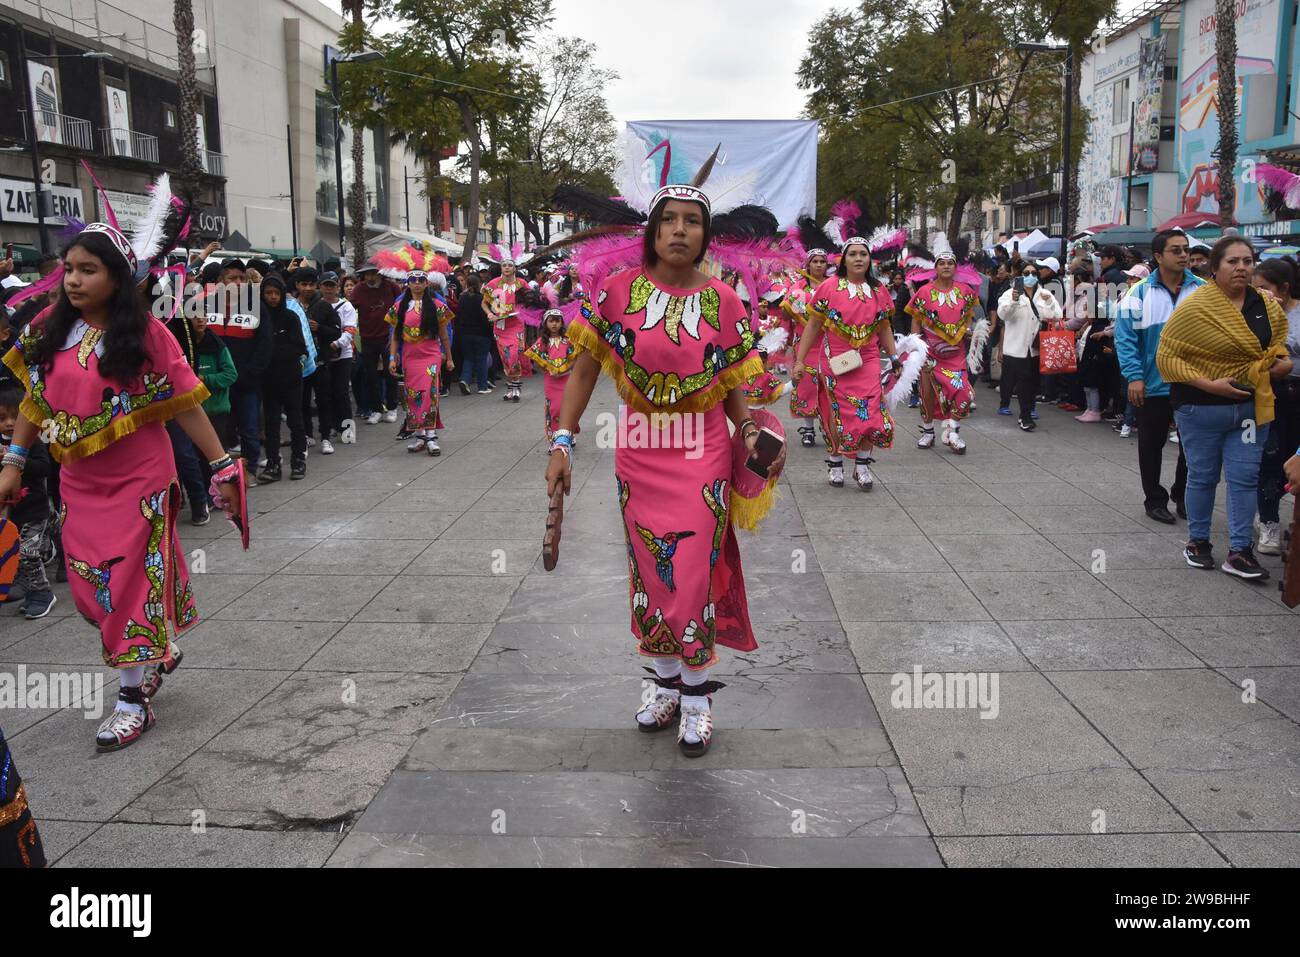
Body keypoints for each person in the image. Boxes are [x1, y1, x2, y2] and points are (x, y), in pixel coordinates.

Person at [546, 175, 787, 757]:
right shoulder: (615, 292)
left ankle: (698, 695)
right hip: (639, 449)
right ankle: (662, 684)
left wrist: (748, 428)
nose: (680, 230)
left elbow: (730, 380)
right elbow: (582, 370)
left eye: (693, 221)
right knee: (651, 571)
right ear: (652, 230)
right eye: (669, 220)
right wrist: (562, 441)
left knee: (694, 569)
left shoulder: (726, 302)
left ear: (707, 236)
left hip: (700, 450)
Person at [0, 218, 243, 751]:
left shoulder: (148, 335)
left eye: (89, 270)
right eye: (69, 269)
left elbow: (187, 407)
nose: (73, 280)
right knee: (90, 592)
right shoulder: (47, 328)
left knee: (128, 584)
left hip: (140, 480)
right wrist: (15, 458)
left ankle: (133, 700)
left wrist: (222, 466)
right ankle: (155, 645)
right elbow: (33, 402)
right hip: (78, 481)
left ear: (119, 277)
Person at [1157, 236, 1291, 579]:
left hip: (1249, 407)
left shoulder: (1266, 306)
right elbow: (1168, 357)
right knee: (1202, 477)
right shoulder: (1194, 306)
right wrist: (1209, 384)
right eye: (1233, 261)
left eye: (1248, 261)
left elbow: (1277, 347)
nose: (1242, 267)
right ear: (1214, 268)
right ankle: (1198, 542)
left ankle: (1240, 551)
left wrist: (1281, 364)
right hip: (1200, 406)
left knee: (1245, 479)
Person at [792, 237, 899, 489]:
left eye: (863, 254)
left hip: (869, 358)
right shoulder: (829, 287)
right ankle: (835, 462)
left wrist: (894, 356)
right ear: (844, 259)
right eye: (853, 254)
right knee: (836, 411)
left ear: (869, 259)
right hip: (836, 360)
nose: (859, 258)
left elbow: (884, 327)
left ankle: (862, 465)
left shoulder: (878, 290)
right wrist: (799, 361)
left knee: (870, 411)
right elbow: (814, 325)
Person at [1114, 228, 1202, 524]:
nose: (1183, 255)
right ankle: (1155, 499)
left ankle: (1183, 494)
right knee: (1151, 445)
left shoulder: (1202, 290)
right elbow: (1125, 339)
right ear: (1157, 256)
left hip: (1195, 383)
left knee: (1192, 447)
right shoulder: (1138, 293)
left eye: (1185, 249)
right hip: (1152, 384)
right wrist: (1134, 377)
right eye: (1175, 250)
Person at [906, 235, 978, 453]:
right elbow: (916, 320)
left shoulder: (965, 291)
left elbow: (968, 317)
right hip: (930, 353)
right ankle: (928, 432)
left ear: (955, 267)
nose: (946, 266)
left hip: (956, 354)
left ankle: (953, 431)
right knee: (927, 394)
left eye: (950, 263)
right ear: (935, 267)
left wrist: (967, 330)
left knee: (963, 392)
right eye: (942, 263)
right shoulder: (924, 292)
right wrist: (915, 347)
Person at [1251, 257, 1300, 555]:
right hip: (1271, 390)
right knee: (1271, 458)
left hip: (1297, 389)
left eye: (1265, 288)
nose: (1260, 293)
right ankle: (1268, 520)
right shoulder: (1255, 312)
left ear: (1284, 287)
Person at [208, 258, 270, 485]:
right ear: (219, 282)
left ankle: (250, 469)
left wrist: (249, 375)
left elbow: (265, 345)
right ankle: (220, 475)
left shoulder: (256, 307)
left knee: (249, 430)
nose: (237, 283)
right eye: (232, 278)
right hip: (216, 386)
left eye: (242, 279)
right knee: (218, 432)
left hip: (246, 384)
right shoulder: (206, 306)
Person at [0, 383, 55, 618]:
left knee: (28, 553)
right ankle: (30, 589)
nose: (10, 423)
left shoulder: (31, 441)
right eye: (2, 418)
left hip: (34, 509)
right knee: (18, 552)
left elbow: (44, 467)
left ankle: (42, 593)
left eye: (15, 416)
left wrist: (16, 461)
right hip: (12, 512)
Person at [387, 270, 453, 455]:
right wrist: (392, 358)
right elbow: (395, 336)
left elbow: (444, 335)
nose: (417, 284)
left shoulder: (438, 305)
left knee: (430, 393)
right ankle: (419, 435)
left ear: (427, 283)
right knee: (413, 395)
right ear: (407, 283)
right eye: (413, 280)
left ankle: (431, 436)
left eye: (421, 280)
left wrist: (448, 357)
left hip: (431, 355)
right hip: (410, 356)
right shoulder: (400, 306)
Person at [785, 225, 835, 447]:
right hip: (804, 343)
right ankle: (808, 428)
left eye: (822, 262)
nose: (818, 265)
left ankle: (829, 424)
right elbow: (789, 312)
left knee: (828, 384)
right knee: (805, 384)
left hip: (829, 343)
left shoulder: (834, 287)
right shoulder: (797, 287)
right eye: (814, 261)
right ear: (808, 264)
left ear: (827, 265)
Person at [996, 261, 1061, 430]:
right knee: (1023, 382)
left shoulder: (1045, 293)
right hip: (1016, 348)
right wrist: (1014, 301)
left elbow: (1056, 316)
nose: (1030, 276)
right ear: (1020, 275)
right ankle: (1025, 416)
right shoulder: (1010, 293)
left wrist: (1049, 303)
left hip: (1036, 347)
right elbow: (1003, 314)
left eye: (1033, 273)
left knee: (1032, 383)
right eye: (1026, 273)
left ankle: (1027, 411)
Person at [257, 274, 309, 482]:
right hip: (268, 380)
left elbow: (299, 346)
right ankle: (273, 464)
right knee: (271, 423)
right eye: (268, 293)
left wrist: (272, 350)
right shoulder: (259, 319)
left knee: (295, 420)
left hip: (290, 377)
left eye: (276, 293)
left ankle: (298, 461)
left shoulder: (290, 317)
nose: (272, 297)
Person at [188, 310, 237, 520]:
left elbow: (231, 374)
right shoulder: (185, 345)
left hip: (216, 408)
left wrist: (204, 379)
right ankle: (204, 497)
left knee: (216, 455)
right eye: (195, 316)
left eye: (204, 316)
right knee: (195, 457)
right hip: (191, 411)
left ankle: (222, 493)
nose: (200, 320)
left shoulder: (216, 345)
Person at [295, 267, 340, 455]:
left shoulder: (323, 306)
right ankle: (307, 435)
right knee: (302, 402)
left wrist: (320, 328)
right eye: (304, 284)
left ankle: (325, 438)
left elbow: (337, 331)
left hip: (320, 362)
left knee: (323, 400)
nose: (307, 288)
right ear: (297, 285)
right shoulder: (291, 306)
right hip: (299, 365)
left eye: (311, 284)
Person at [349, 264, 400, 424]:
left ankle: (392, 407)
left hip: (388, 337)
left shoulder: (391, 287)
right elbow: (350, 307)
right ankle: (376, 409)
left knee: (390, 372)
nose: (370, 277)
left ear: (380, 274)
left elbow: (401, 305)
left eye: (373, 274)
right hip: (367, 337)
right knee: (370, 375)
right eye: (367, 274)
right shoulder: (359, 289)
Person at [525, 308, 581, 443]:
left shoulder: (568, 340)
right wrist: (548, 368)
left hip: (567, 379)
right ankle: (555, 438)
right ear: (545, 323)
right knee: (554, 408)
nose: (554, 324)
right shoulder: (542, 342)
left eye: (557, 321)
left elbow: (575, 356)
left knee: (569, 407)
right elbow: (537, 358)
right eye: (551, 321)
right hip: (551, 381)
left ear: (562, 323)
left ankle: (570, 433)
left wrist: (566, 367)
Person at [484, 246, 528, 401]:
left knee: (514, 355)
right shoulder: (493, 283)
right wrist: (490, 313)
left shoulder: (522, 283)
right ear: (501, 267)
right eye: (504, 265)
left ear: (515, 268)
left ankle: (516, 387)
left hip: (516, 324)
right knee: (506, 357)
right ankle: (511, 388)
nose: (507, 268)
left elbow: (531, 301)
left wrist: (525, 309)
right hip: (500, 326)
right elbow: (484, 303)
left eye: (510, 265)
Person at [320, 272, 358, 445]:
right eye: (325, 285)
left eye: (332, 285)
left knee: (342, 392)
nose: (329, 289)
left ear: (337, 287)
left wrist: (336, 344)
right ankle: (334, 425)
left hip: (343, 355)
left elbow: (350, 330)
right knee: (327, 392)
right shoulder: (317, 305)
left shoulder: (346, 306)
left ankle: (348, 429)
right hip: (323, 356)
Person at [454, 273, 494, 394]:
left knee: (468, 358)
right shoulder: (482, 298)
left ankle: (465, 380)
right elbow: (486, 316)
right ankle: (482, 386)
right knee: (482, 359)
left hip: (465, 334)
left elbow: (459, 316)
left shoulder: (462, 298)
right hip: (482, 333)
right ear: (479, 285)